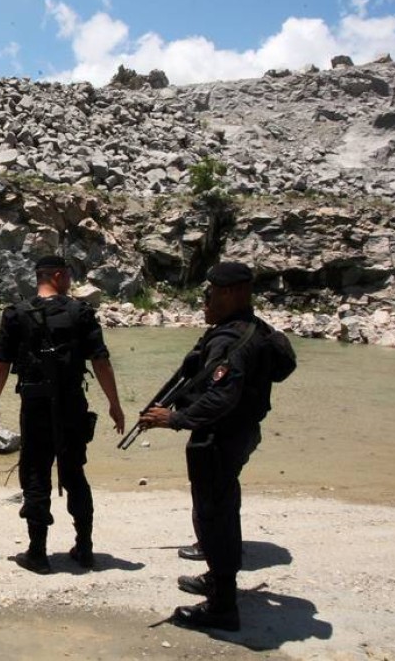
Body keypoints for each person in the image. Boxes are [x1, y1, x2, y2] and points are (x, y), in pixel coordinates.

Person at [139, 261, 297, 632]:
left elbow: (222, 397)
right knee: (224, 505)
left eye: (210, 294)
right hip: (239, 433)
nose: (205, 301)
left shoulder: (230, 341)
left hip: (219, 438)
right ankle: (216, 578)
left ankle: (222, 606)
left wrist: (174, 418)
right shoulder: (255, 329)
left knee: (213, 515)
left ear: (232, 293)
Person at [0, 255, 125, 573]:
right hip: (72, 404)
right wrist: (114, 404)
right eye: (69, 276)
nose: (70, 281)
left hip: (35, 406)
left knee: (36, 473)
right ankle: (85, 549)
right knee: (74, 472)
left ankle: (38, 553)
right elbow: (101, 362)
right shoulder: (81, 313)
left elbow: (0, 365)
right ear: (59, 276)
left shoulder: (16, 313)